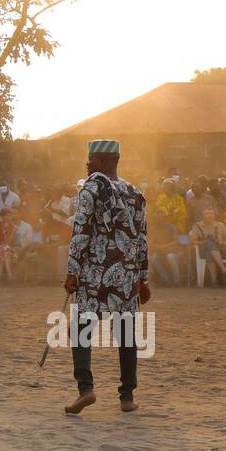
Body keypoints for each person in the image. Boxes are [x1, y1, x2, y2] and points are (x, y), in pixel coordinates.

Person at [63, 140, 148, 415]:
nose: (87, 165)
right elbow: (142, 239)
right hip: (127, 275)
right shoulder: (135, 192)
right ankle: (127, 396)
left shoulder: (91, 188)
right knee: (125, 333)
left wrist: (72, 271)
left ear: (103, 161)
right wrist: (143, 278)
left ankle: (86, 390)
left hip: (96, 272)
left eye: (91, 160)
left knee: (80, 328)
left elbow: (81, 232)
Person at [189, 208, 226, 286]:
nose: (209, 215)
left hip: (220, 250)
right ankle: (224, 270)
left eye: (211, 213)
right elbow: (192, 240)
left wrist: (223, 243)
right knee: (209, 245)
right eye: (207, 213)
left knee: (209, 251)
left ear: (214, 215)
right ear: (203, 216)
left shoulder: (220, 225)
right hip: (203, 249)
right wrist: (202, 242)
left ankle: (214, 282)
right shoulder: (197, 225)